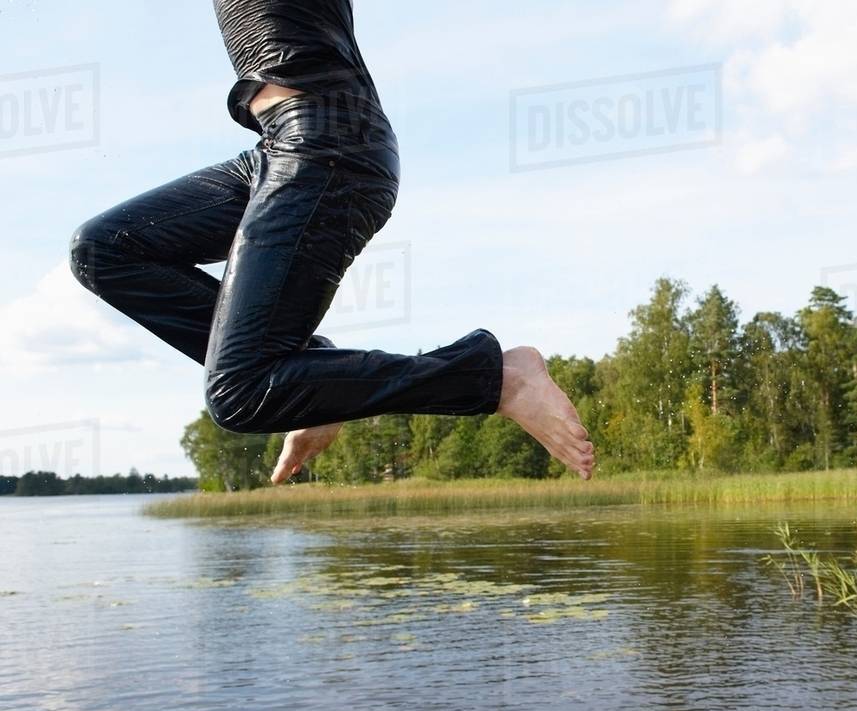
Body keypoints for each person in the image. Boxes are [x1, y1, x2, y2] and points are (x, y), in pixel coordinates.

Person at [69, 0, 594, 484]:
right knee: (104, 248)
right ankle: (315, 378)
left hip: (330, 147)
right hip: (280, 146)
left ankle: (496, 378)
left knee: (240, 394)